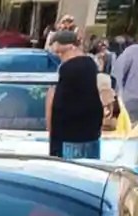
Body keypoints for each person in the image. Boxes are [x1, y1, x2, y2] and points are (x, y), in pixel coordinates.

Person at [47, 30, 103, 159]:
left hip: (68, 134)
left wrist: (52, 134)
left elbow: (54, 102)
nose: (60, 57)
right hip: (91, 131)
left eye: (60, 53)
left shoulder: (65, 69)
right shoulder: (91, 64)